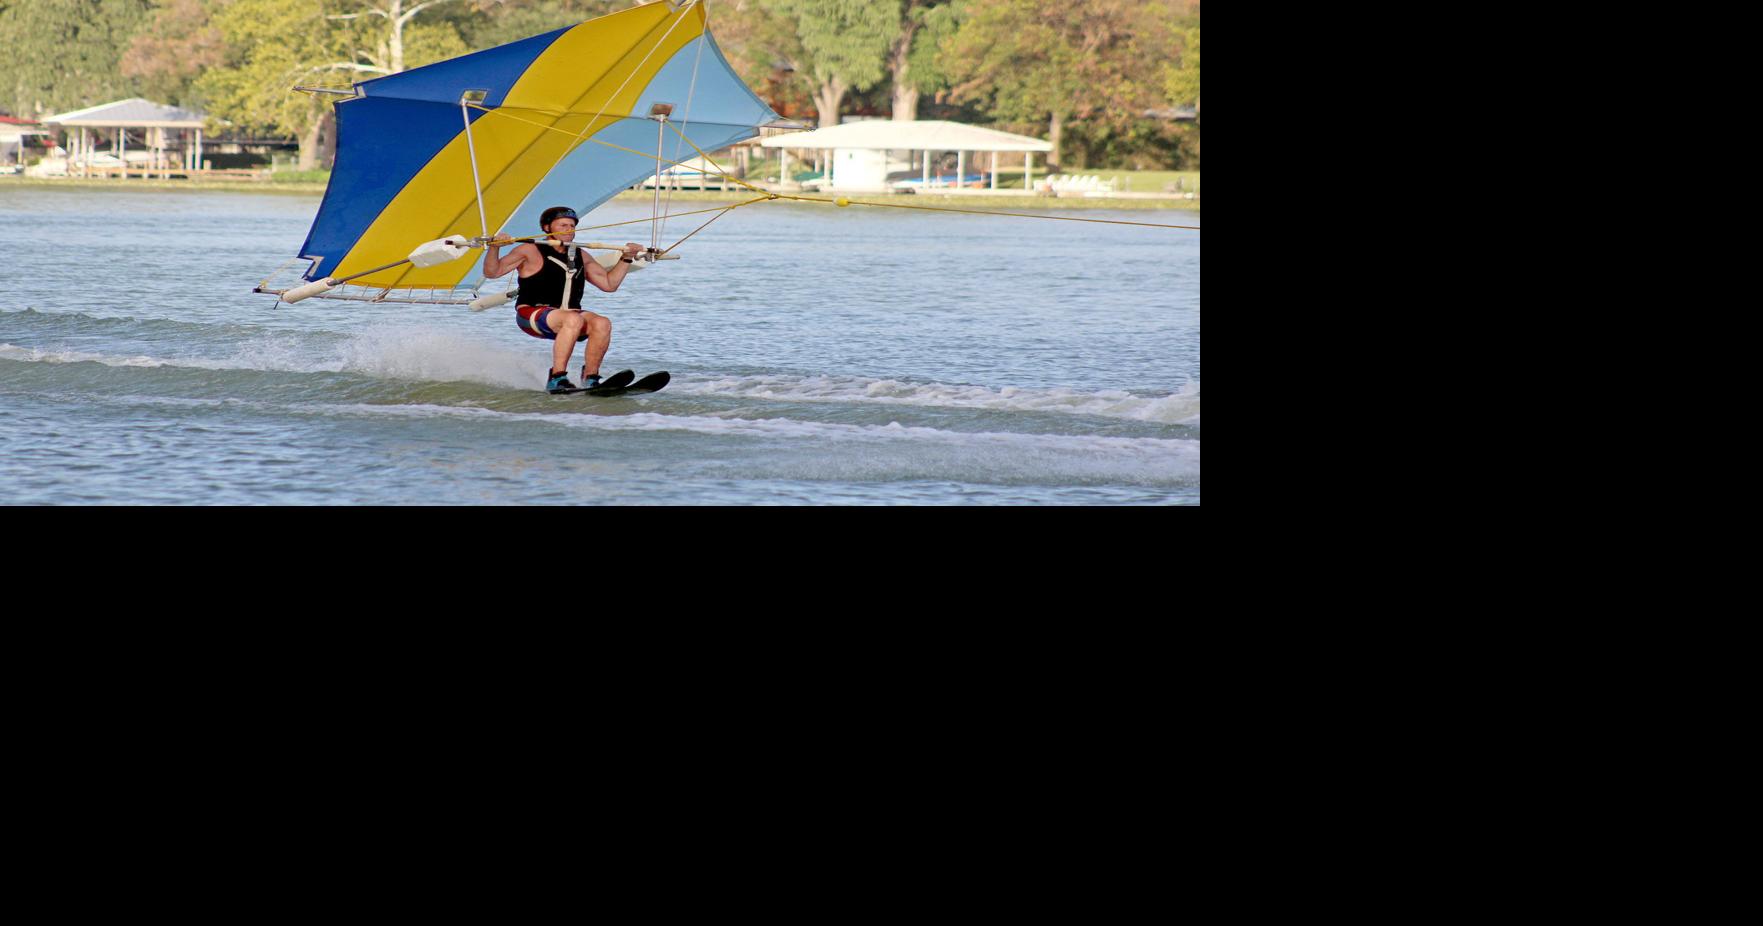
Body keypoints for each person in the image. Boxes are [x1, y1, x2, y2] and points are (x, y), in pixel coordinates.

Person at [483, 206, 644, 393]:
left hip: (568, 317)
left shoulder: (580, 254)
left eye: (572, 226)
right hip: (532, 315)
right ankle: (557, 377)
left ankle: (590, 378)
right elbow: (492, 272)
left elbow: (609, 284)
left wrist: (627, 258)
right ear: (546, 228)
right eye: (563, 225)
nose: (569, 229)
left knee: (602, 323)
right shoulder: (529, 250)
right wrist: (494, 247)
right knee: (573, 319)